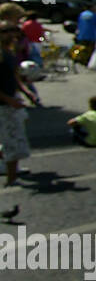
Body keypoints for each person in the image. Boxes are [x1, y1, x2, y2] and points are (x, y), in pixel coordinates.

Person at [1, 21, 34, 186]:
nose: (13, 35)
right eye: (8, 31)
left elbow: (15, 77)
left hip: (11, 100)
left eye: (14, 31)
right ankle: (10, 178)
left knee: (14, 137)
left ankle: (12, 172)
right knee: (11, 140)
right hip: (4, 103)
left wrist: (26, 92)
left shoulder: (10, 53)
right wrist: (9, 100)